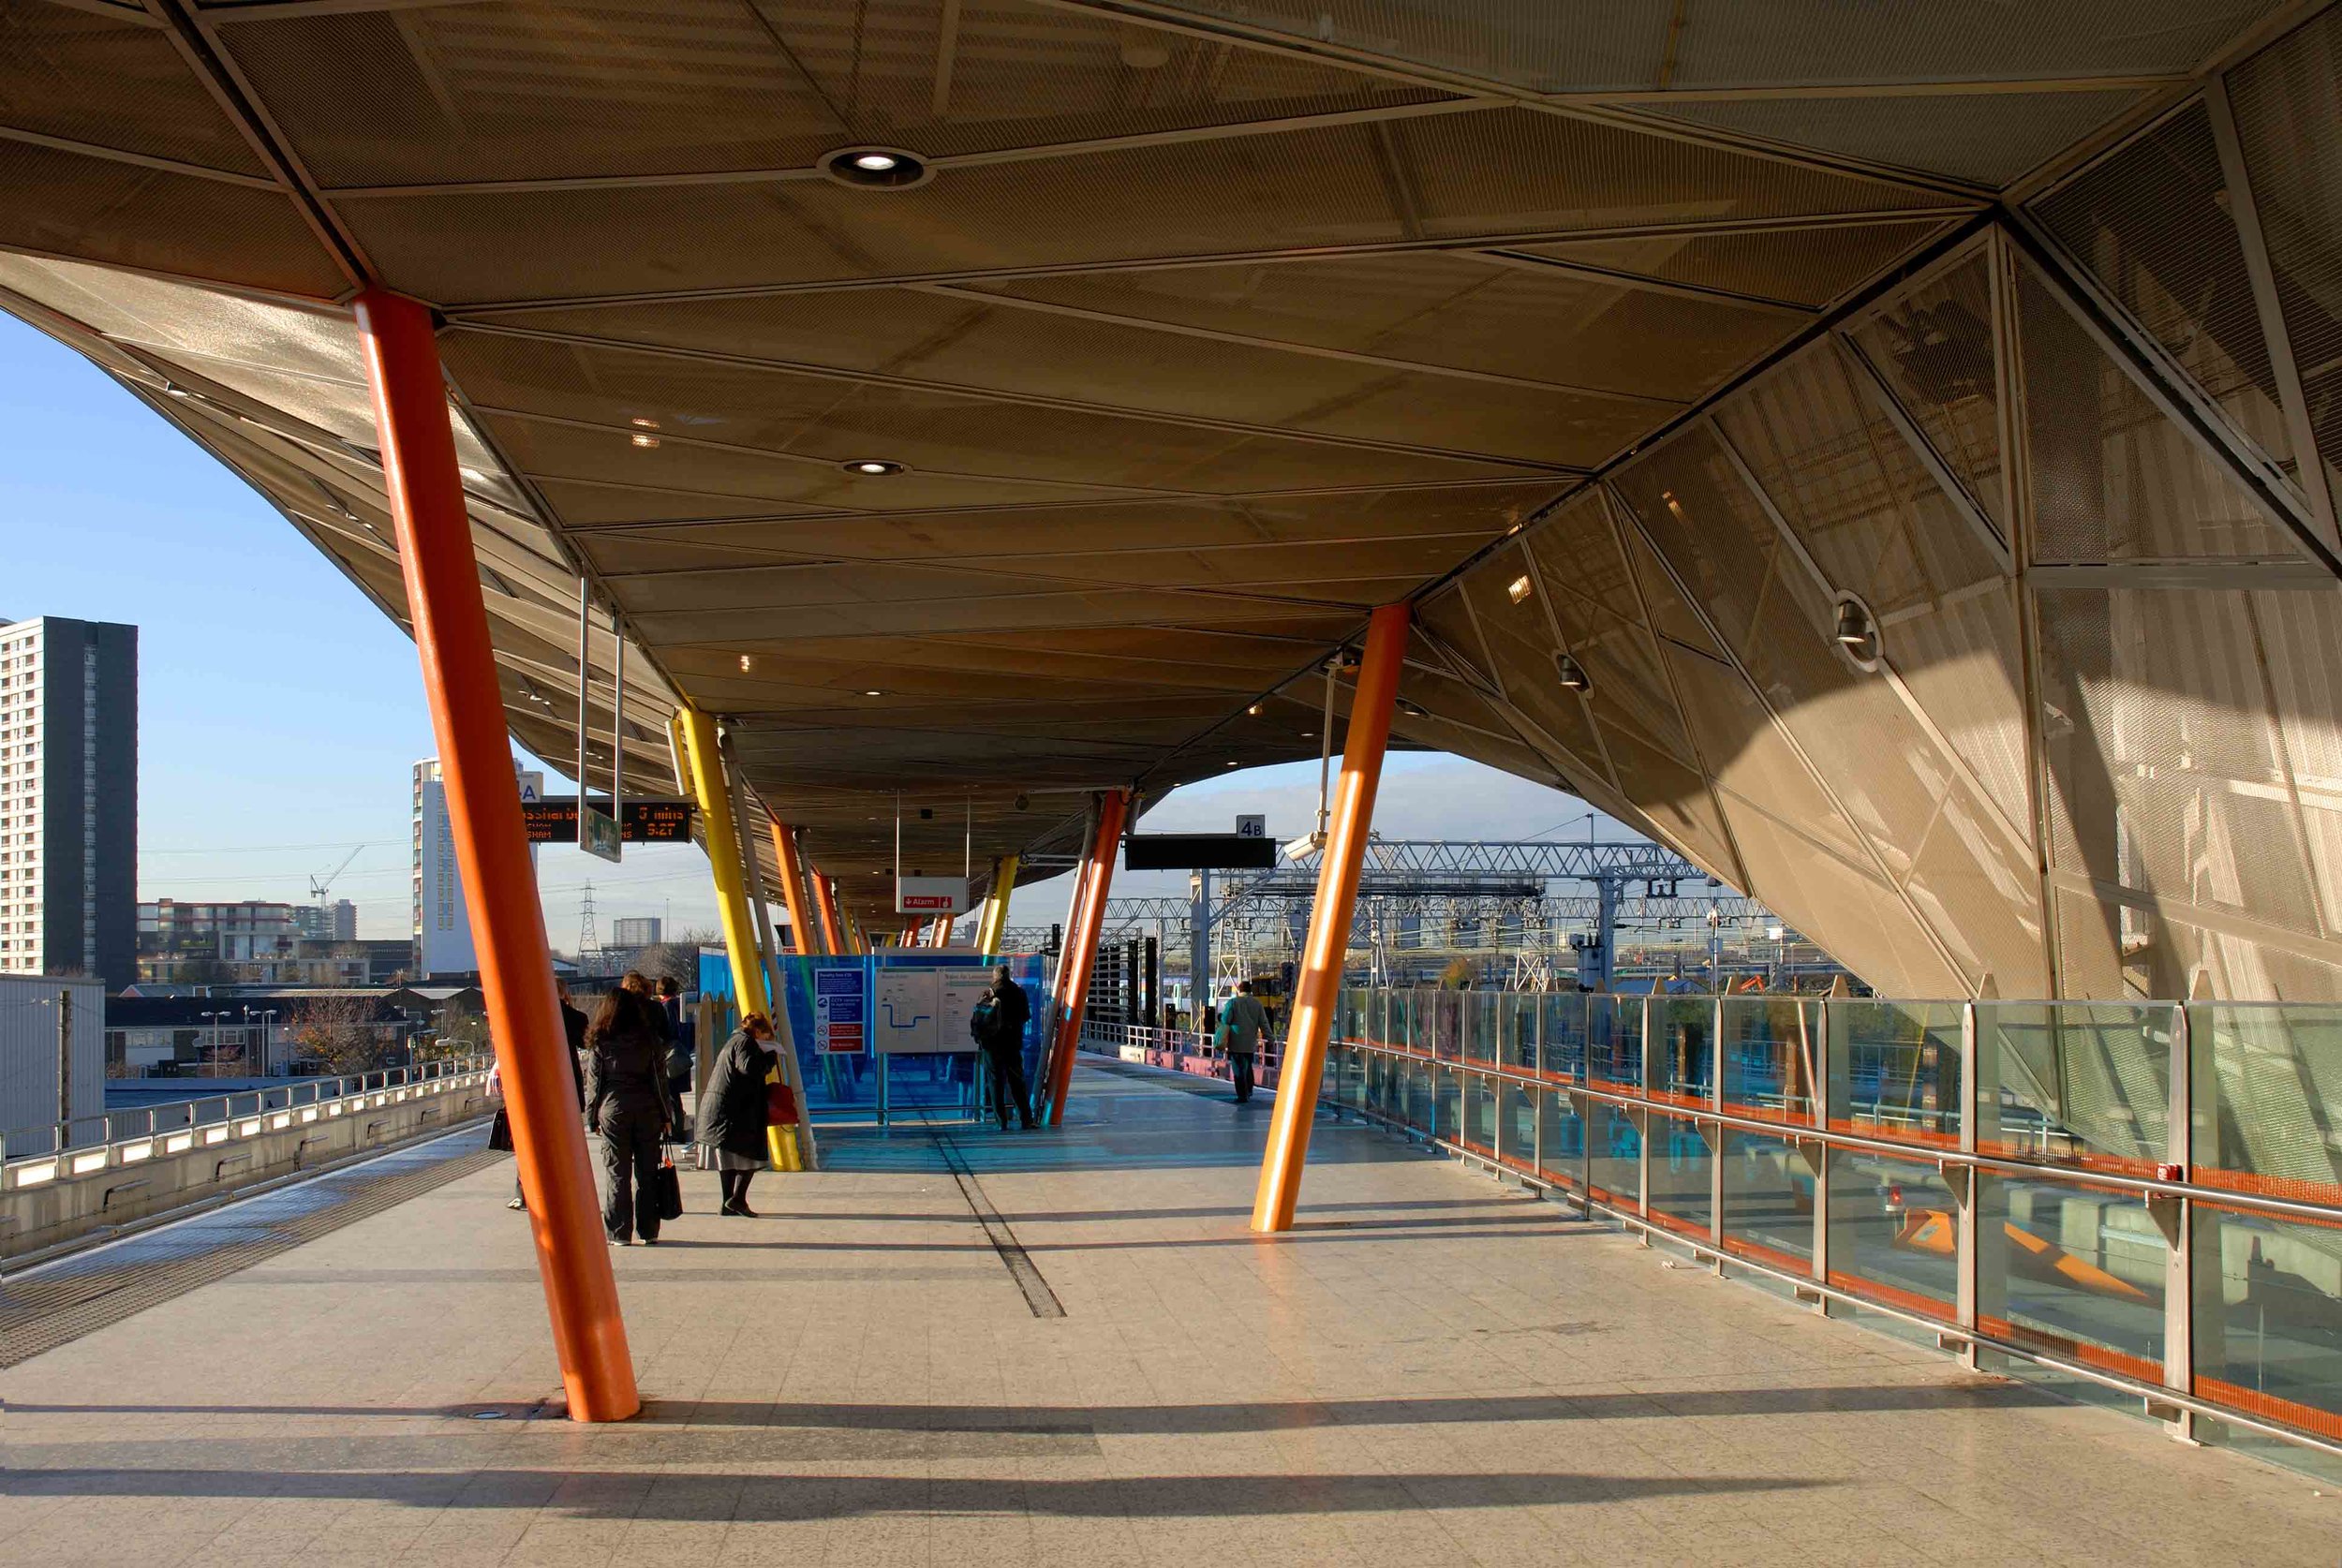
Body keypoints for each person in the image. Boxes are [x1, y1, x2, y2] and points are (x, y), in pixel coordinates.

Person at [584, 986, 670, 1245]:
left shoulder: (600, 1042)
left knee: (617, 1173)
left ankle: (619, 1232)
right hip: (647, 1111)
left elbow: (595, 1085)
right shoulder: (649, 1040)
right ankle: (649, 1231)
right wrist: (667, 1115)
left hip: (613, 1112)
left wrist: (592, 1118)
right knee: (647, 1173)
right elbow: (659, 1081)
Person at [504, 978, 590, 1212]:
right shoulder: (576, 1018)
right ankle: (566, 1192)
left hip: (535, 1084)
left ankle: (524, 1193)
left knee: (531, 1141)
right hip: (566, 1084)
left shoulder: (529, 1014)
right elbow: (586, 1044)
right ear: (564, 993)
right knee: (565, 1141)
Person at [697, 1012, 780, 1216]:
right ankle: (739, 1198)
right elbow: (749, 1068)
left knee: (728, 1157)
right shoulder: (746, 1043)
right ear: (758, 1031)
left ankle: (728, 1202)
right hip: (734, 1112)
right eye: (767, 1036)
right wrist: (769, 1058)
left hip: (722, 1110)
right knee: (751, 1155)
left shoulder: (734, 1040)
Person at [971, 965, 1034, 1131]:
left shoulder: (988, 993)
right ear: (1008, 975)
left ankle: (1001, 1122)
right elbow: (1026, 1016)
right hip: (1013, 1044)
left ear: (995, 976)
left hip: (991, 1045)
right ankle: (1026, 1120)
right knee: (1017, 1082)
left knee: (995, 1082)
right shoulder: (1019, 993)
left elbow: (978, 1018)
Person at [1216, 979, 1271, 1104]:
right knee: (1247, 1067)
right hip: (1250, 1042)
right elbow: (1264, 1023)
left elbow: (1225, 1020)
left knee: (1238, 1070)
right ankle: (1249, 1090)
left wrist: (1221, 1018)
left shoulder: (1233, 1003)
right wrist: (1271, 1038)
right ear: (1250, 990)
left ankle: (1242, 1095)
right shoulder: (1257, 1004)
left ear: (1239, 990)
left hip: (1235, 1042)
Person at [658, 976, 692, 1137]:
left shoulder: (665, 1007)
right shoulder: (684, 1004)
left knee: (669, 1093)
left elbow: (667, 1032)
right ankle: (677, 1128)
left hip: (670, 1056)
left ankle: (674, 1130)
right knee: (674, 1094)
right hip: (682, 1054)